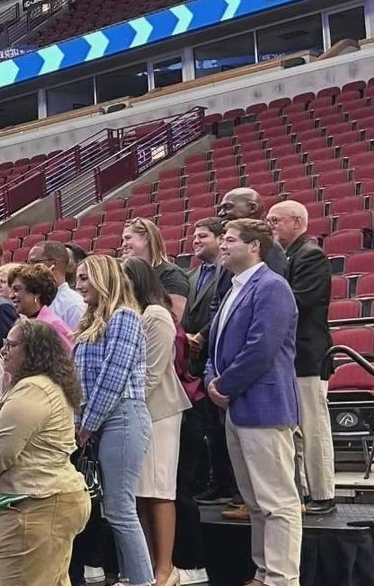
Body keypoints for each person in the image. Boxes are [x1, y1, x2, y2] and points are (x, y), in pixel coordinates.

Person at [204, 218, 302, 586]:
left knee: (277, 501)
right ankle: (264, 572)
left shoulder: (272, 287)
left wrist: (224, 384)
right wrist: (212, 378)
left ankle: (281, 578)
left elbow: (261, 348)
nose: (223, 245)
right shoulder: (233, 288)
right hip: (235, 406)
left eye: (230, 240)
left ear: (254, 246)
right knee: (256, 502)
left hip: (263, 405)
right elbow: (216, 345)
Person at [0, 319, 91, 586]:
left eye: (11, 345)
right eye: (4, 344)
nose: (4, 350)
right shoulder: (29, 386)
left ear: (34, 351)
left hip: (35, 505)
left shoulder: (35, 389)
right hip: (41, 502)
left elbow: (2, 449)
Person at [72, 255, 155, 586]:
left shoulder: (125, 318)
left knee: (121, 509)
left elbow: (113, 378)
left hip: (122, 417)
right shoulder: (93, 319)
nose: (78, 286)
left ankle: (143, 581)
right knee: (115, 509)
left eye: (84, 279)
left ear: (102, 278)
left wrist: (86, 424)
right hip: (103, 421)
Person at [123, 258, 192, 586]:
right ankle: (146, 567)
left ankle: (166, 568)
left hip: (159, 413)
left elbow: (152, 372)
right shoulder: (127, 315)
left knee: (159, 490)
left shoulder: (157, 315)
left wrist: (123, 408)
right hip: (135, 414)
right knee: (137, 494)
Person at [268, 200, 336, 515]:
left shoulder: (311, 256)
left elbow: (301, 300)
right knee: (295, 430)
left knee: (313, 428)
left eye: (276, 220)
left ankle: (323, 494)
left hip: (308, 354)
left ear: (296, 222)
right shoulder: (287, 257)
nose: (270, 226)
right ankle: (304, 493)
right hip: (291, 357)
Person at [182, 218, 233, 506]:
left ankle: (226, 484)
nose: (196, 240)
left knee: (221, 427)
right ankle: (214, 480)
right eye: (194, 235)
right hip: (195, 359)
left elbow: (224, 311)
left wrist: (201, 336)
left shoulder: (227, 273)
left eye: (203, 235)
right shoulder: (191, 276)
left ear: (219, 239)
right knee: (208, 427)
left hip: (216, 352)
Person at [121, 219, 190, 322]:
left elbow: (173, 319)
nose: (123, 244)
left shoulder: (171, 274)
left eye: (128, 238)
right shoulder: (126, 274)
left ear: (147, 238)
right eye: (123, 240)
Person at [6, 262, 75, 350]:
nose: (11, 296)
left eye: (17, 289)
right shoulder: (23, 322)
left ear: (36, 293)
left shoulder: (52, 324)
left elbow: (71, 357)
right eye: (11, 290)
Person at [28, 241, 87, 330]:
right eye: (28, 263)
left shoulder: (74, 305)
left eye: (34, 262)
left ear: (54, 264)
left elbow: (75, 342)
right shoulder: (32, 300)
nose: (29, 268)